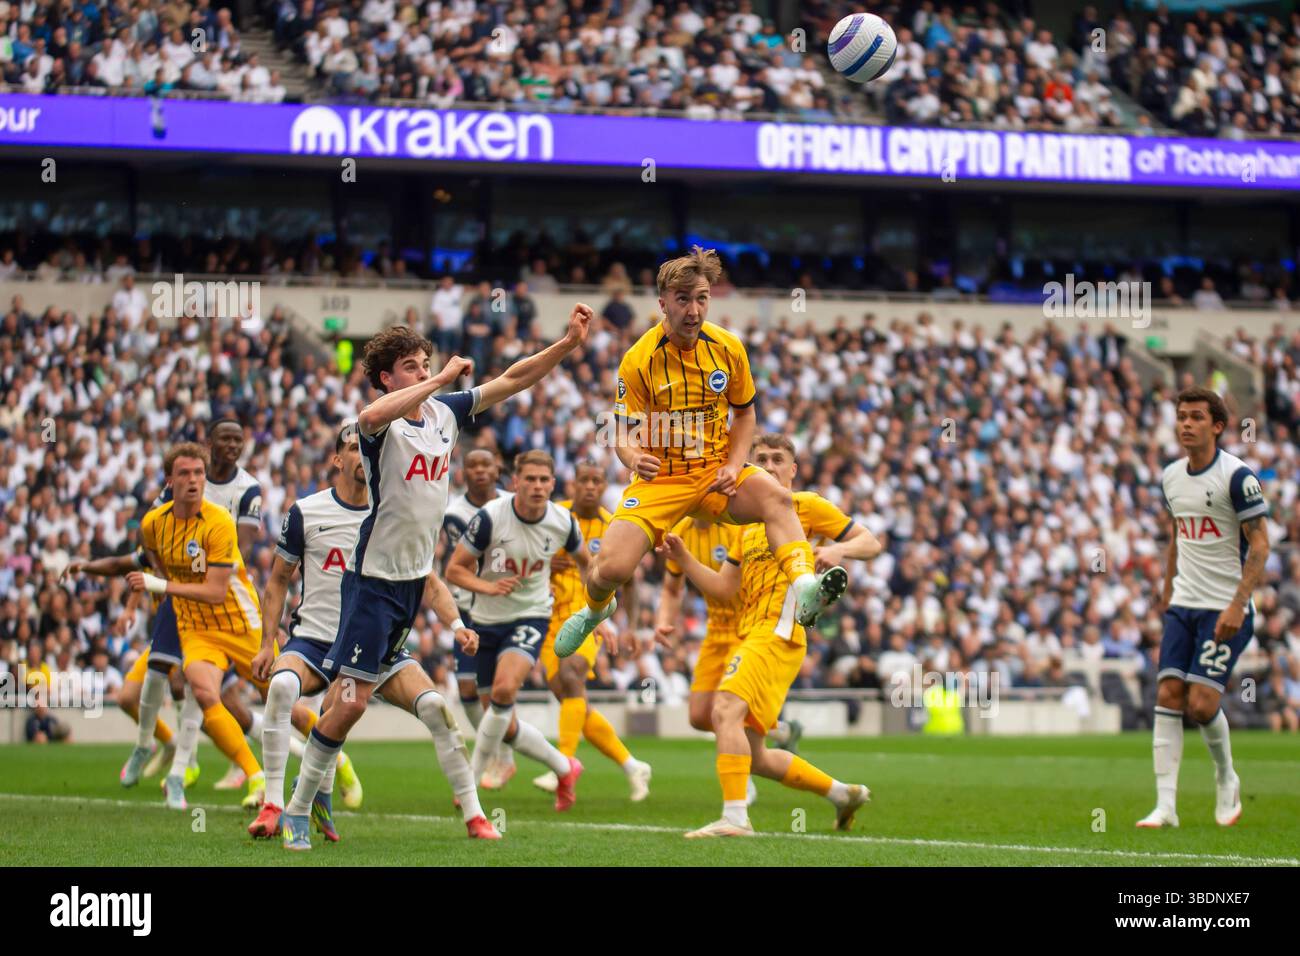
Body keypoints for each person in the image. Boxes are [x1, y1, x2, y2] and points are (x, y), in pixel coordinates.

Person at [278, 304, 594, 849]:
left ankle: (470, 815)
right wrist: (443, 379)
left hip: (411, 585)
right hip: (371, 583)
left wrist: (565, 345)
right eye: (411, 367)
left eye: (425, 365)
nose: (423, 373)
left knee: (425, 707)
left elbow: (512, 379)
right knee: (349, 703)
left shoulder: (444, 415)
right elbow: (370, 418)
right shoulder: (380, 423)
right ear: (386, 377)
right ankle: (297, 810)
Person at [554, 247, 847, 662]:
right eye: (683, 299)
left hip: (714, 473)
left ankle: (804, 588)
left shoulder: (727, 347)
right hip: (661, 482)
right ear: (663, 303)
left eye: (702, 298)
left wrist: (732, 464)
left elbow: (745, 415)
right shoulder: (639, 360)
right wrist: (635, 458)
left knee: (778, 500)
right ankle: (596, 610)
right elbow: (621, 432)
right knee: (611, 571)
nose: (693, 310)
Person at [659, 433, 881, 837]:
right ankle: (842, 794)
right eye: (760, 458)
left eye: (778, 459)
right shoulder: (748, 526)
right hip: (752, 634)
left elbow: (871, 541)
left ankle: (735, 818)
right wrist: (684, 558)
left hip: (780, 633)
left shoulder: (806, 507)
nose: (769, 465)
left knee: (723, 709)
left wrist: (839, 552)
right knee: (756, 755)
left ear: (793, 469)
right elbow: (726, 590)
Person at [1137, 387, 1268, 829]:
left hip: (1224, 606)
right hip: (1184, 602)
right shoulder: (1171, 476)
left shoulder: (1237, 476)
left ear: (1216, 426)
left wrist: (1239, 604)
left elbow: (1260, 545)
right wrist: (1167, 587)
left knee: (1201, 703)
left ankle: (1226, 775)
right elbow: (1178, 535)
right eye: (1181, 417)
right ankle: (1165, 807)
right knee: (1169, 694)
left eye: (1195, 417)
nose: (1185, 424)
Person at [247, 423, 374, 840]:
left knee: (430, 709)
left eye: (366, 448)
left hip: (361, 647)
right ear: (337, 459)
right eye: (353, 448)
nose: (360, 455)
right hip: (312, 639)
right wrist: (269, 642)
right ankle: (273, 803)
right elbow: (279, 578)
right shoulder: (307, 511)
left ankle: (320, 796)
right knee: (281, 686)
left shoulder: (386, 513)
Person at [127, 444, 270, 811]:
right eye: (185, 474)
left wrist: (162, 588)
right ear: (169, 480)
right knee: (205, 694)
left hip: (240, 621)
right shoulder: (153, 524)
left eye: (199, 474)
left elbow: (215, 590)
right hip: (196, 628)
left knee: (283, 697)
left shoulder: (220, 520)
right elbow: (156, 564)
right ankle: (255, 776)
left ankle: (334, 765)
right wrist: (153, 592)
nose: (193, 481)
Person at [526, 459, 650, 799]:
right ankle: (632, 765)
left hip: (586, 618)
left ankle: (563, 765)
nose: (591, 487)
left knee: (572, 676)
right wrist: (543, 563)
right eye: (585, 480)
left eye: (598, 480)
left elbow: (633, 582)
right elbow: (520, 555)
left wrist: (632, 627)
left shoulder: (615, 525)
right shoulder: (553, 516)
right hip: (545, 618)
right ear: (573, 484)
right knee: (572, 698)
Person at [438, 448, 516, 789]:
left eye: (486, 463)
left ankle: (502, 758)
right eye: (472, 464)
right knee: (468, 687)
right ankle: (499, 753)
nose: (480, 470)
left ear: (497, 467)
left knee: (493, 689)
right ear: (463, 471)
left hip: (507, 605)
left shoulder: (515, 503)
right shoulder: (455, 513)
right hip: (469, 605)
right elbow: (469, 558)